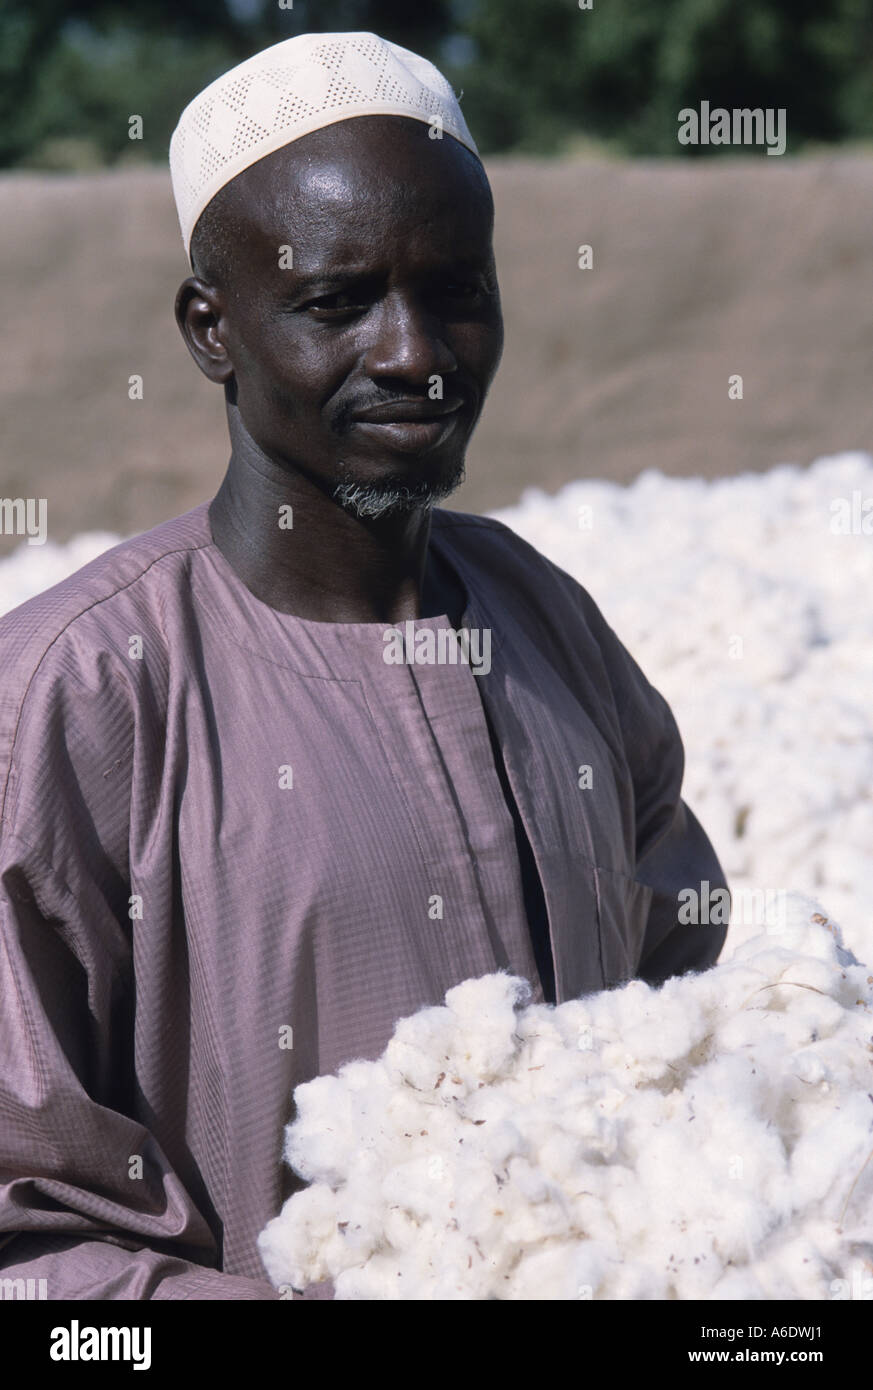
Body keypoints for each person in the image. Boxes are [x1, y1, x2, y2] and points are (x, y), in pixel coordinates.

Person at [0, 31, 728, 1300]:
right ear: (210, 330)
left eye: (454, 288)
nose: (413, 353)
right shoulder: (75, 697)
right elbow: (28, 1258)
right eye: (337, 302)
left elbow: (686, 1019)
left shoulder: (548, 622)